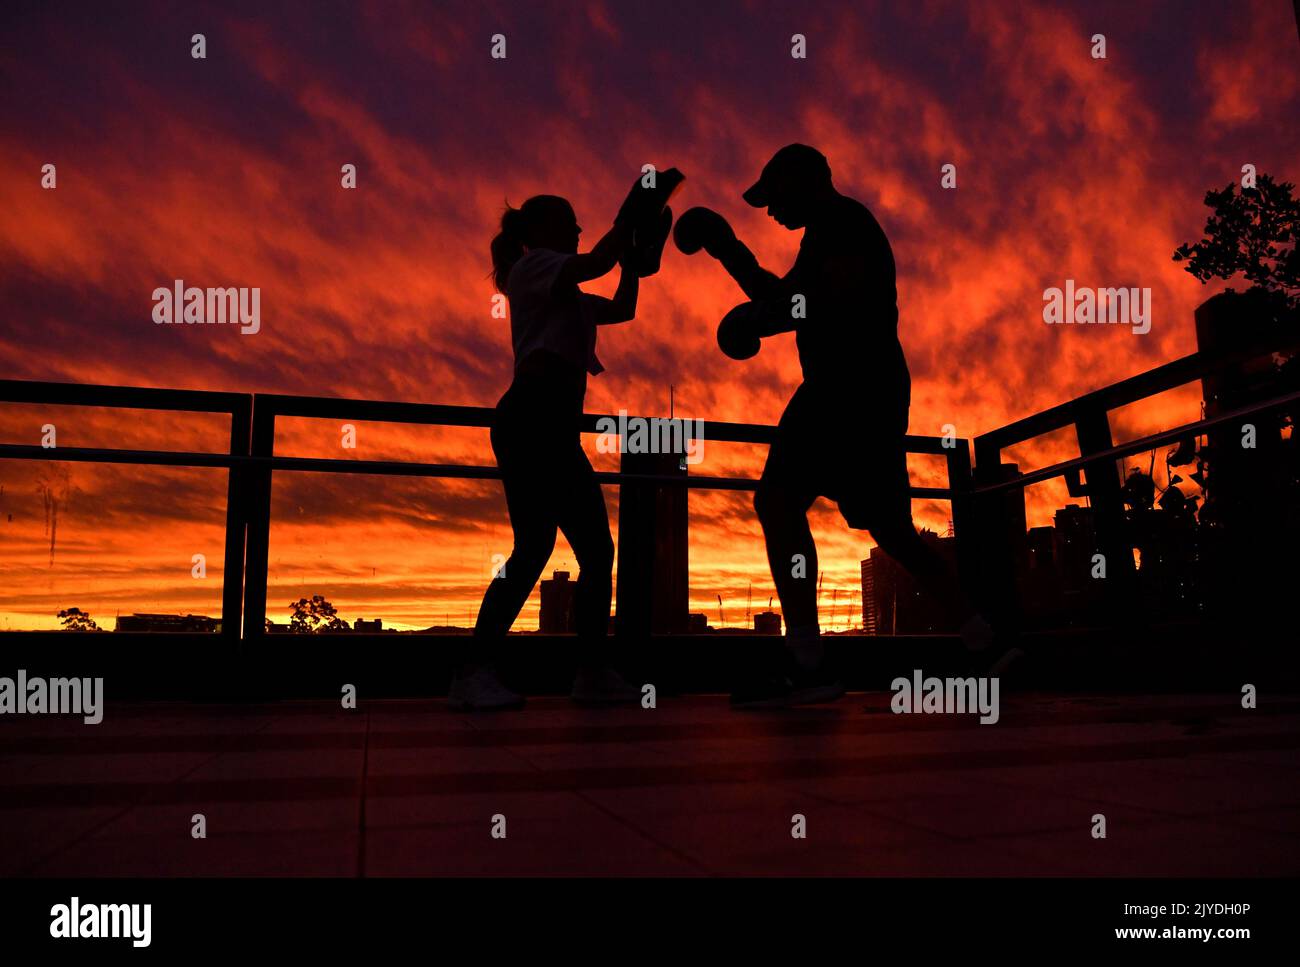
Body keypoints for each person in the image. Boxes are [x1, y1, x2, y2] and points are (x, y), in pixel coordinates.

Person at [674, 144, 998, 708]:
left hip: (846, 388)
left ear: (804, 181)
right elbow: (793, 302)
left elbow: (808, 305)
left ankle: (808, 663)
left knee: (778, 502)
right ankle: (985, 642)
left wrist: (732, 258)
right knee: (892, 530)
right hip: (867, 391)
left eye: (774, 197)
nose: (770, 210)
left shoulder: (844, 223)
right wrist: (739, 274)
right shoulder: (826, 232)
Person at [451, 181, 676, 710]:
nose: (578, 231)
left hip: (550, 428)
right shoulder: (533, 270)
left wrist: (635, 263)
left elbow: (622, 309)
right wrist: (631, 218)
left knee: (591, 551)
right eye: (571, 224)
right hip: (532, 419)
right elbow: (597, 259)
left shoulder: (565, 291)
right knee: (542, 548)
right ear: (542, 233)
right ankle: (474, 671)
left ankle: (590, 672)